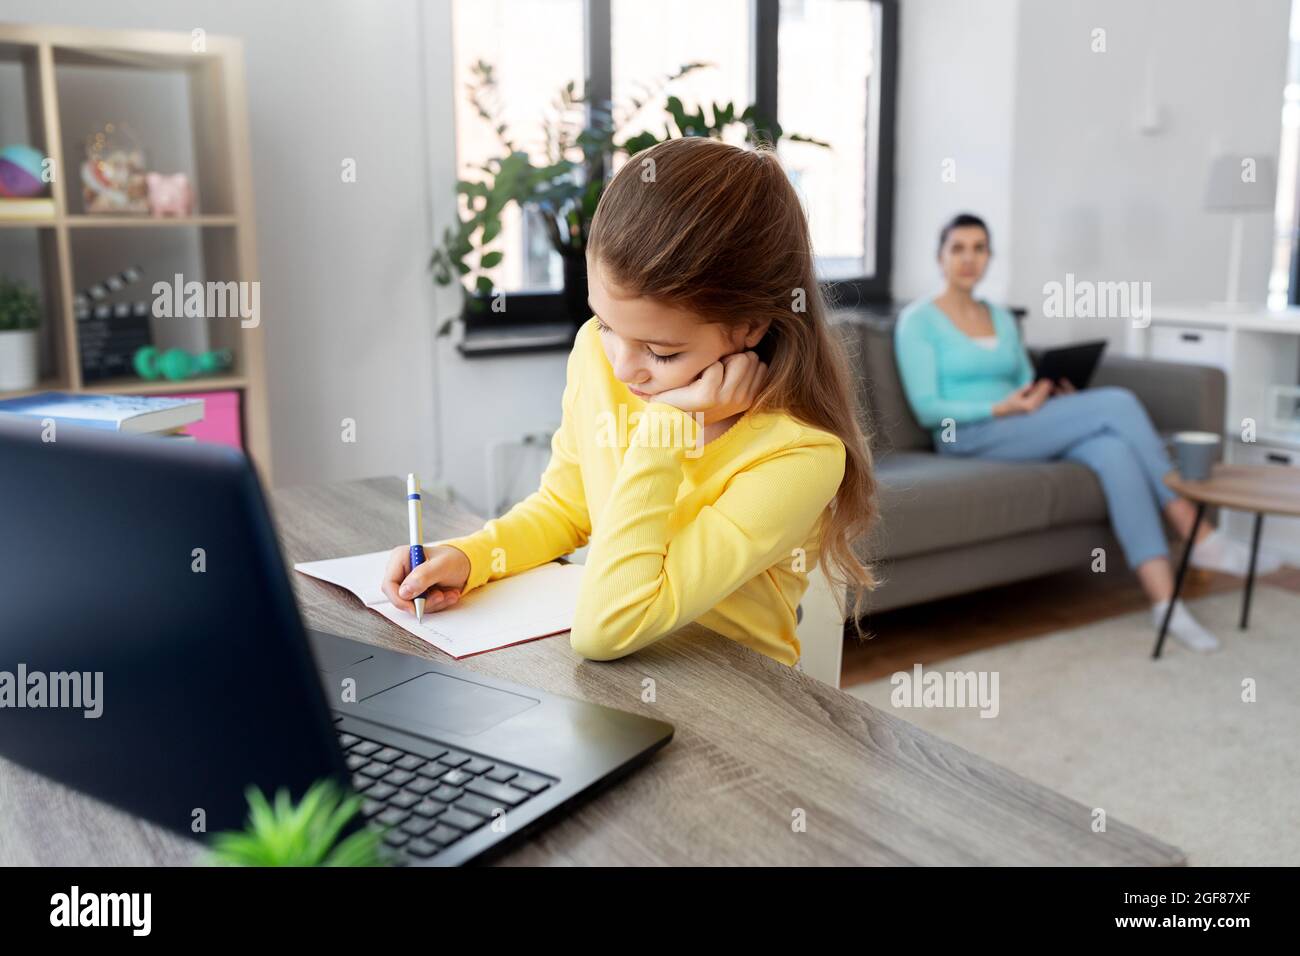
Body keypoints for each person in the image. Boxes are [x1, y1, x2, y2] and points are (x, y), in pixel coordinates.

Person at [379, 137, 878, 666]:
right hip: (613, 685)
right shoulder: (596, 355)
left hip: (731, 705)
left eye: (661, 352)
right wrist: (470, 555)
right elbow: (567, 509)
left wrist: (666, 426)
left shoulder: (798, 456)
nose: (620, 367)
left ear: (749, 327)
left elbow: (609, 628)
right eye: (606, 324)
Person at [893, 212, 1281, 653]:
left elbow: (1024, 380)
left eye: (979, 248)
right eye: (957, 248)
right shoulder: (918, 321)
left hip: (1019, 422)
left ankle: (1165, 602)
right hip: (965, 434)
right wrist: (1000, 406)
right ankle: (1196, 530)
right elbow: (927, 409)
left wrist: (1046, 393)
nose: (968, 258)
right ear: (940, 257)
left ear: (989, 256)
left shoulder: (1000, 318)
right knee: (1117, 403)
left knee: (1112, 448)